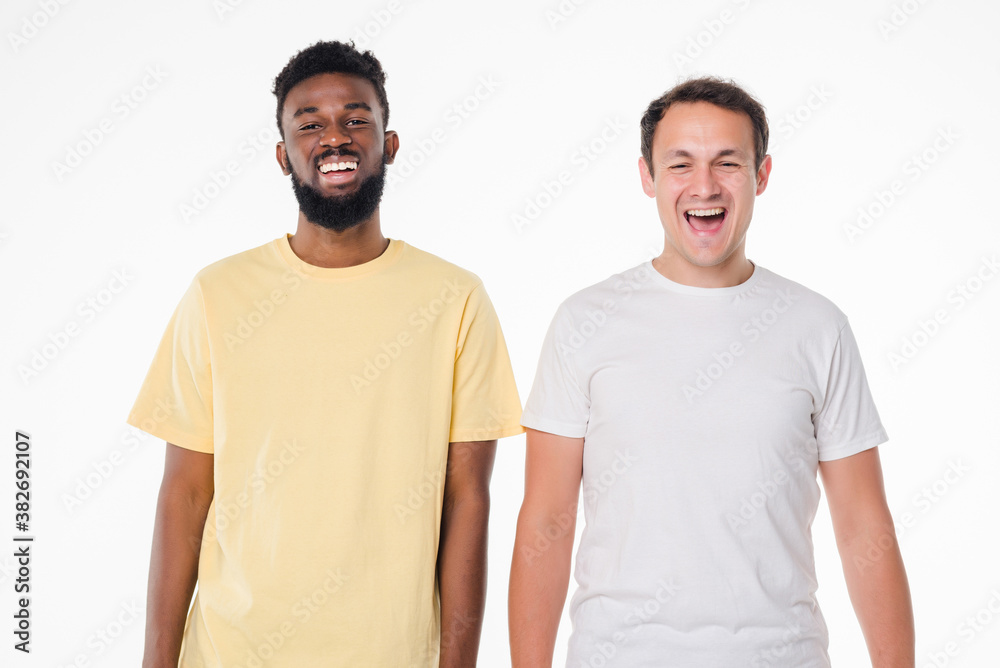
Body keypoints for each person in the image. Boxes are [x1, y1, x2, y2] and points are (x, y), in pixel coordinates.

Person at [129, 40, 523, 668]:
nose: (334, 137)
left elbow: (467, 500)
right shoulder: (217, 294)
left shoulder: (454, 299)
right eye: (309, 124)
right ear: (283, 156)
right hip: (232, 653)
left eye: (355, 119)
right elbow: (185, 495)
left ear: (389, 144)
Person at [509, 77, 914, 667]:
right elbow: (546, 519)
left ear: (761, 175)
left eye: (728, 162)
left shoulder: (817, 327)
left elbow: (863, 526)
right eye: (680, 164)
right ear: (647, 177)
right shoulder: (584, 322)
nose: (704, 186)